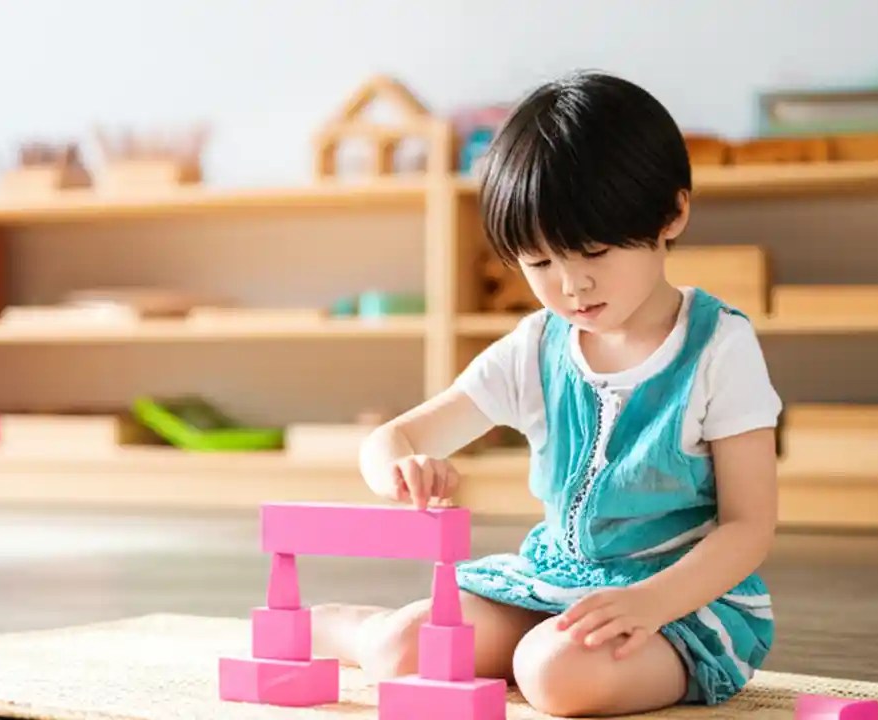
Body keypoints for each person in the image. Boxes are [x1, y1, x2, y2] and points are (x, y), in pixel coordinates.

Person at [311, 71, 781, 717]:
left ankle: (535, 651)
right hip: (549, 583)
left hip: (680, 602)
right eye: (539, 263)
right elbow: (397, 438)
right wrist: (398, 470)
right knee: (403, 650)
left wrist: (650, 604)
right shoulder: (535, 348)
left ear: (672, 214)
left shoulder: (718, 348)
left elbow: (748, 527)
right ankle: (352, 628)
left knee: (558, 677)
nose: (571, 287)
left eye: (593, 251)